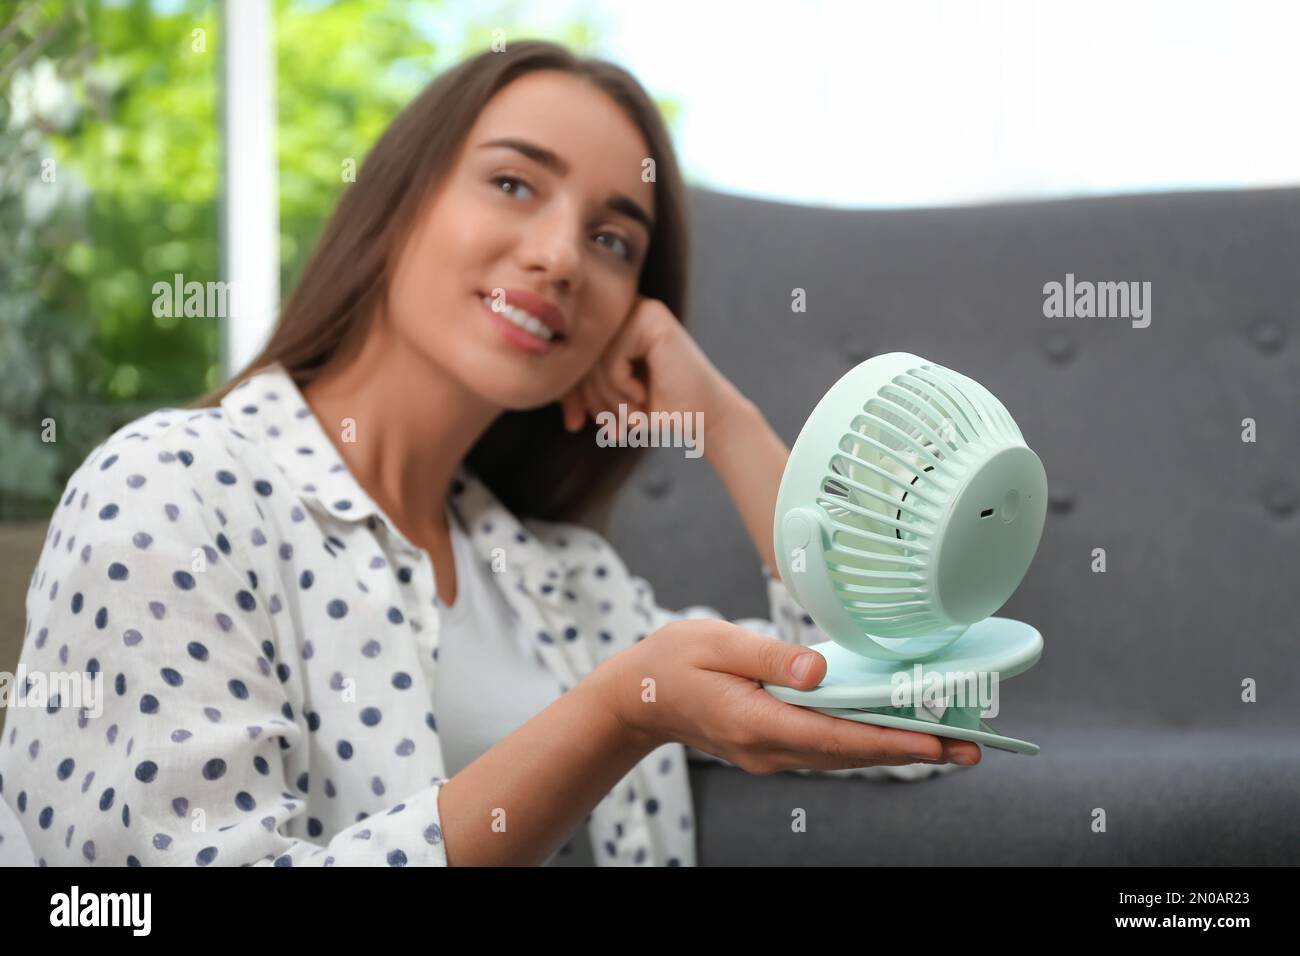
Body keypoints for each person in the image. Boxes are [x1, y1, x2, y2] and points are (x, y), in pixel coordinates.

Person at [0, 40, 977, 868]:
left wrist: (722, 417)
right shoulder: (172, 491)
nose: (559, 257)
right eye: (514, 183)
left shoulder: (569, 584)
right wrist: (615, 716)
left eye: (612, 239)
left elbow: (918, 709)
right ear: (397, 203)